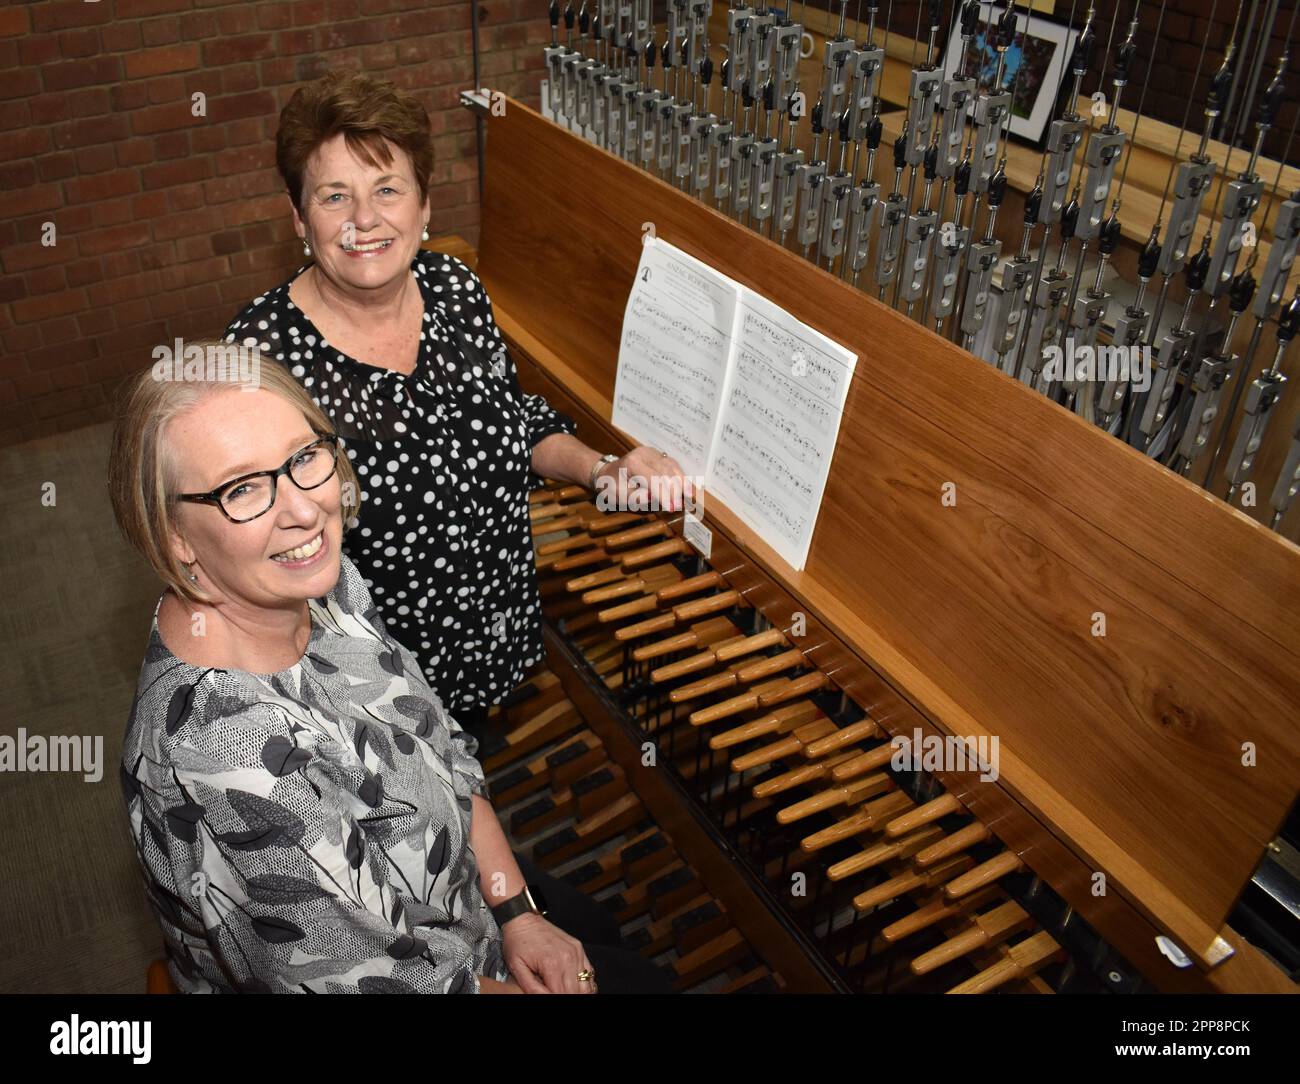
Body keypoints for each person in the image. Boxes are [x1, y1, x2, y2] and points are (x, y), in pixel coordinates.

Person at [108, 354, 671, 993]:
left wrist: (516, 912)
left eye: (303, 459)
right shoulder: (233, 759)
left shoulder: (320, 581)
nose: (303, 510)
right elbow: (387, 985)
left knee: (603, 931)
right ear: (173, 535)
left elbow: (439, 745)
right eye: (242, 489)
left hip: (461, 899)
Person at [223, 70, 693, 733]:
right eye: (335, 197)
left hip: (488, 641)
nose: (365, 220)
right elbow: (245, 547)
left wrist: (603, 471)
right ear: (299, 219)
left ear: (424, 208)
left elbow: (512, 422)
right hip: (371, 690)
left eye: (388, 190)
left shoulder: (453, 288)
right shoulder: (260, 355)